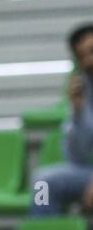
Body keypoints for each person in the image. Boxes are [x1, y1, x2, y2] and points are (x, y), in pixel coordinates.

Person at [31, 23, 93, 217]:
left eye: (92, 51)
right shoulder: (85, 92)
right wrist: (77, 112)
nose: (90, 61)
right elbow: (76, 156)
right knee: (42, 183)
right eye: (82, 56)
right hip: (88, 171)